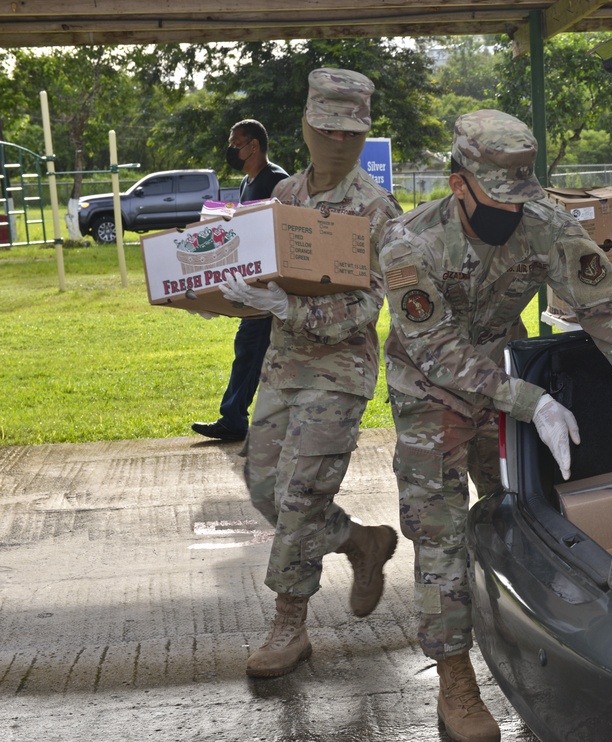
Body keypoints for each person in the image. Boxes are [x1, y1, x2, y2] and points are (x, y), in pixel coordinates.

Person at [377, 109, 612, 742]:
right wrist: (531, 402)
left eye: (523, 195)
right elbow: (434, 351)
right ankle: (456, 683)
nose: (513, 211)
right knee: (440, 542)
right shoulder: (409, 243)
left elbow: (608, 314)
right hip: (429, 397)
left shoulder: (544, 223)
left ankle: (525, 639)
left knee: (521, 519)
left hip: (502, 385)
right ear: (458, 181)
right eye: (499, 196)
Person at [218, 69, 404, 679]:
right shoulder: (285, 200)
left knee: (300, 496)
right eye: (327, 129)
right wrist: (234, 292)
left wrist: (286, 307)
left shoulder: (376, 210)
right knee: (266, 488)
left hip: (338, 372)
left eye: (351, 132)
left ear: (363, 135)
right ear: (306, 127)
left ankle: (288, 625)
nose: (338, 142)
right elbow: (261, 271)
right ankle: (360, 542)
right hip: (283, 366)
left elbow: (368, 306)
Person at [191, 119, 289, 441]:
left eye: (236, 143)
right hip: (252, 284)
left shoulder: (277, 180)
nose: (231, 150)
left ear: (254, 146)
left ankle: (236, 418)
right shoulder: (248, 183)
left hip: (273, 289)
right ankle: (235, 417)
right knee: (250, 349)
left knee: (254, 349)